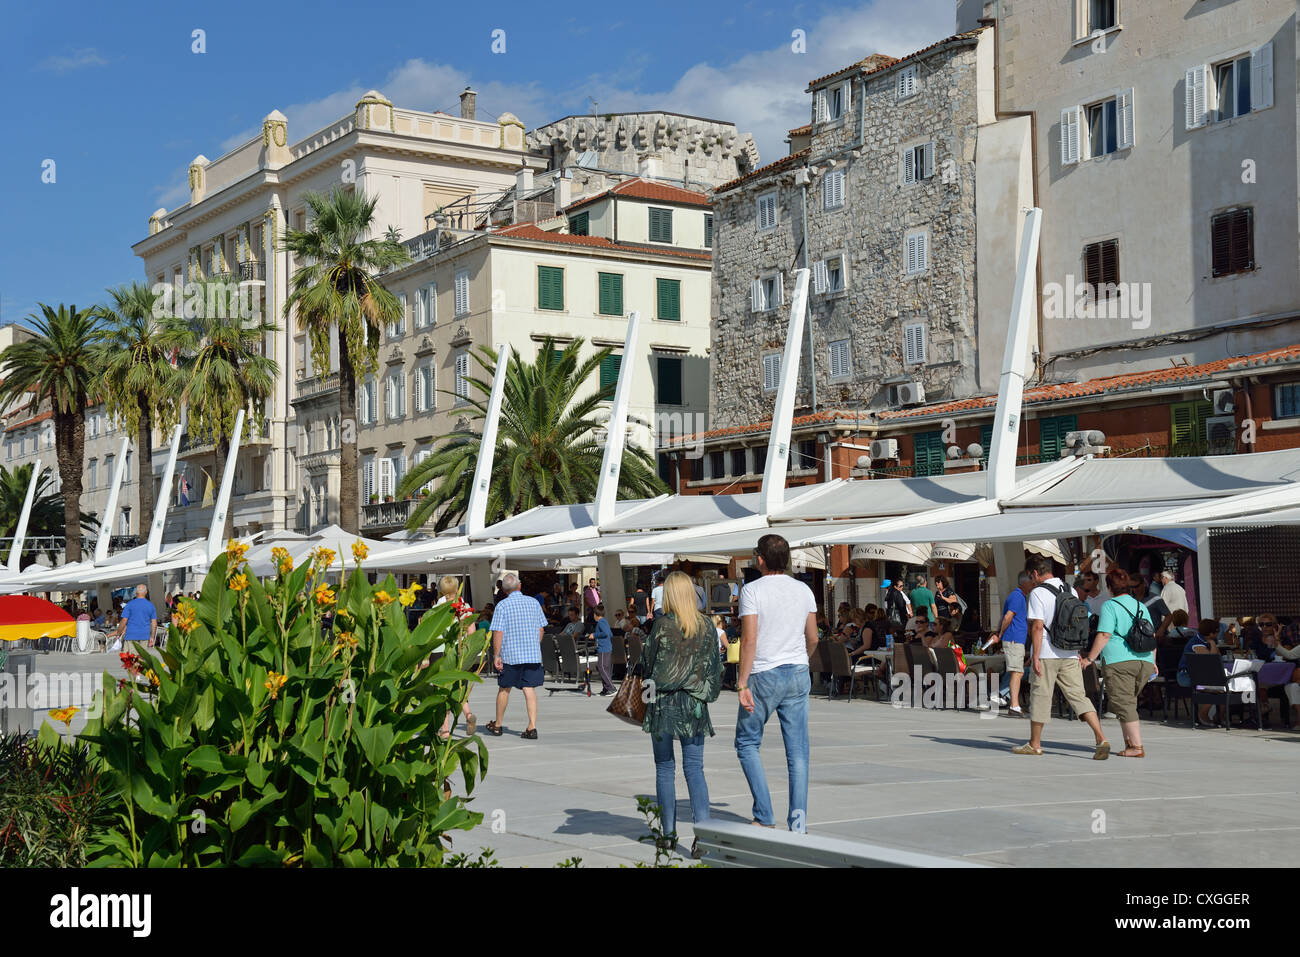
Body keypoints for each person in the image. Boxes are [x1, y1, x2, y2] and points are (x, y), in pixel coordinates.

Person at [735, 534, 818, 831]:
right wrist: (802, 659)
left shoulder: (752, 590)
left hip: (764, 674)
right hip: (797, 671)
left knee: (746, 743)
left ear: (760, 559)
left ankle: (764, 814)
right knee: (798, 752)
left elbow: (749, 639)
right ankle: (798, 821)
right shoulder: (804, 590)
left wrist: (742, 682)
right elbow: (813, 637)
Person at [642, 570, 723, 859]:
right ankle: (702, 835)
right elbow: (716, 667)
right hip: (694, 705)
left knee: (664, 769)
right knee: (694, 769)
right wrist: (703, 692)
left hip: (663, 703)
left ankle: (667, 834)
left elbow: (646, 663)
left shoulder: (661, 625)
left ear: (670, 596)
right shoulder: (706, 625)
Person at [1013, 556, 1111, 759]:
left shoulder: (1037, 593)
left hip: (1048, 654)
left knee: (1040, 697)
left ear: (1035, 574)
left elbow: (1038, 627)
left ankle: (1035, 744)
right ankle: (1101, 737)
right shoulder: (1070, 590)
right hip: (1070, 653)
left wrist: (1036, 656)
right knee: (1078, 697)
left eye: (1031, 577)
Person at [1081, 569, 1156, 758]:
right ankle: (1129, 743)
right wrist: (1153, 661)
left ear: (1109, 587)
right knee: (1127, 703)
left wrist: (1090, 658)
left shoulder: (1109, 605)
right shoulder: (1141, 606)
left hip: (1120, 661)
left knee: (1125, 704)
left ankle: (1137, 747)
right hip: (1144, 661)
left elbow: (1105, 634)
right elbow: (1151, 636)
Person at [485, 573, 548, 739]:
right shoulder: (534, 603)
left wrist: (497, 654)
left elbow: (498, 632)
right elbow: (541, 628)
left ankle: (498, 725)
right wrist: (535, 644)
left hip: (511, 655)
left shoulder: (502, 606)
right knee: (529, 689)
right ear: (519, 586)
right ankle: (532, 726)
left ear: (504, 590)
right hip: (532, 654)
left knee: (504, 688)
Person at [434, 575, 477, 739]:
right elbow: (471, 632)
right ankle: (468, 715)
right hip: (459, 652)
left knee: (442, 691)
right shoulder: (464, 606)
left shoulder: (439, 606)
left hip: (440, 652)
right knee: (459, 688)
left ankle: (444, 730)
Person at [991, 571, 1032, 715]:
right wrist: (1001, 634)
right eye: (1031, 581)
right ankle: (1014, 705)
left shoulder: (1018, 596)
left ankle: (1013, 703)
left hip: (1016, 638)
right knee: (1017, 672)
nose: (1033, 584)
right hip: (1014, 639)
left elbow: (1004, 617)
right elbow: (1008, 617)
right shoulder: (1017, 596)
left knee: (1017, 672)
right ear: (1024, 582)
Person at [1178, 617, 1222, 725]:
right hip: (1187, 677)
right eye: (1217, 632)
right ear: (1212, 633)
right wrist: (1212, 643)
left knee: (1223, 688)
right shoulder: (1196, 643)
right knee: (1215, 689)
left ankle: (1220, 717)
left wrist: (1212, 643)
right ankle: (1203, 714)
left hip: (1201, 677)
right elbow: (1211, 660)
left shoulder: (1207, 640)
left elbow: (1218, 657)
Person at [112, 584, 158, 651]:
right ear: (146, 592)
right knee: (141, 659)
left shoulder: (130, 604)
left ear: (136, 592)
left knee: (131, 659)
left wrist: (119, 633)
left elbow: (124, 620)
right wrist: (152, 637)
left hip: (131, 635)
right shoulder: (151, 605)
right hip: (144, 635)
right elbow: (154, 624)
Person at [592, 603, 616, 696]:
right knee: (605, 668)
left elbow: (605, 633)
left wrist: (594, 635)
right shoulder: (605, 621)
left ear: (595, 614)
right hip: (607, 648)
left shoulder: (600, 622)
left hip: (603, 648)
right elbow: (610, 634)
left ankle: (611, 688)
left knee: (601, 667)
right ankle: (606, 689)